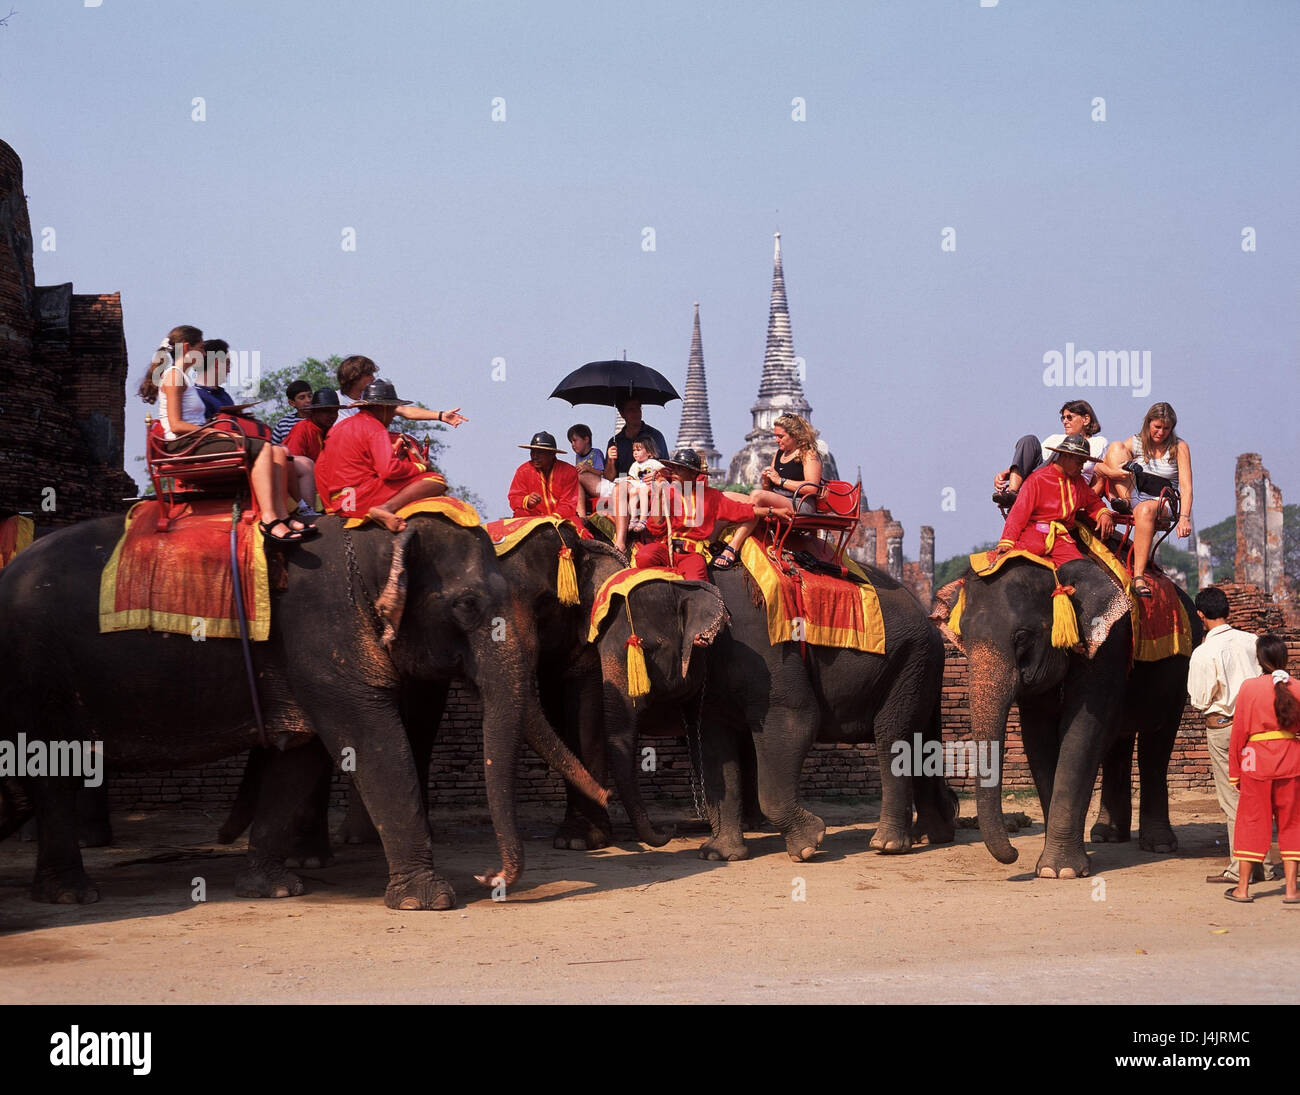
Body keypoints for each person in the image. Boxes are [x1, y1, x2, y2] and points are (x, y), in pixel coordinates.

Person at [143, 327, 311, 545]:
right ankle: (268, 519)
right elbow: (176, 425)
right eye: (201, 348)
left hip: (197, 439)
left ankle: (283, 516)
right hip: (184, 444)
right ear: (187, 348)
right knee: (262, 448)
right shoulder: (173, 375)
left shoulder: (181, 376)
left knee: (277, 450)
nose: (204, 354)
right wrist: (213, 431)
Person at [1189, 587, 1280, 887]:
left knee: (1233, 801)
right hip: (1259, 728)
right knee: (1257, 797)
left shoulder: (1204, 652)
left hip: (1225, 729)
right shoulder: (1251, 642)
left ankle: (1239, 867)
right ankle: (1264, 866)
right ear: (1227, 610)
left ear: (1200, 615)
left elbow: (1200, 700)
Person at [314, 379, 448, 532]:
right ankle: (385, 508)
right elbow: (389, 469)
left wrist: (331, 509)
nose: (392, 416)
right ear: (383, 408)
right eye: (391, 410)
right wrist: (419, 467)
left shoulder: (338, 427)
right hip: (362, 500)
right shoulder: (374, 427)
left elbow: (320, 468)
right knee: (435, 479)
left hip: (341, 504)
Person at [1226, 634, 1300, 904]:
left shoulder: (1249, 688)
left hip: (1255, 762)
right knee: (1293, 825)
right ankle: (1291, 890)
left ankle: (1243, 889)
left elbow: (1239, 735)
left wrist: (1235, 771)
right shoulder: (1297, 687)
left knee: (1251, 823)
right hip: (1292, 761)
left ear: (1259, 659)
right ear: (1285, 658)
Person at [634, 449, 767, 581]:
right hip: (665, 548)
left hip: (691, 553)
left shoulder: (710, 496)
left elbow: (742, 510)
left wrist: (772, 511)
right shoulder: (667, 492)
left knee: (696, 578)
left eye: (680, 469)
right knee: (644, 556)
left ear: (693, 474)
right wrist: (657, 492)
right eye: (673, 468)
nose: (674, 473)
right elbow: (655, 527)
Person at [1103, 401, 1193, 598]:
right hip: (1134, 492)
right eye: (1157, 427)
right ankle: (1124, 502)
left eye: (1166, 428)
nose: (1161, 432)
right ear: (1148, 423)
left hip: (1162, 500)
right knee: (1116, 447)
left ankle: (1138, 576)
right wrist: (1111, 471)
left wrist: (1185, 517)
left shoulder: (1179, 447)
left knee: (1145, 510)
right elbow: (1101, 466)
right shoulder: (1136, 442)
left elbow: (1186, 486)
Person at [718, 414, 823, 566]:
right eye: (776, 436)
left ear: (795, 435)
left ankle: (732, 547)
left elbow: (812, 488)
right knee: (726, 496)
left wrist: (780, 480)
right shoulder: (780, 453)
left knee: (756, 495)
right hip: (777, 499)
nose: (776, 440)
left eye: (781, 436)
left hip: (799, 503)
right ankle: (713, 542)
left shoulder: (808, 454)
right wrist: (767, 480)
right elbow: (768, 489)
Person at [993, 434, 1114, 564]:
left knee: (1078, 568)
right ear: (1066, 456)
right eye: (1079, 463)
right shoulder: (1038, 479)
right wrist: (1007, 540)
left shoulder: (1078, 482)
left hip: (1061, 538)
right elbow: (1019, 513)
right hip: (1034, 534)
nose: (1082, 468)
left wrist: (1103, 514)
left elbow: (1093, 502)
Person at [576, 397, 669, 555]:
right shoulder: (615, 440)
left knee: (620, 489)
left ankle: (620, 541)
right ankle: (582, 519)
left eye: (638, 409)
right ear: (622, 413)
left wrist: (655, 474)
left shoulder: (654, 436)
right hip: (620, 481)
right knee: (580, 475)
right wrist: (611, 461)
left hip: (644, 484)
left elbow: (667, 467)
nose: (636, 413)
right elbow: (609, 476)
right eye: (631, 410)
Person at [993, 400, 1122, 506]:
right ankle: (1012, 493)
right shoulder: (1054, 438)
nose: (1065, 421)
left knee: (1064, 452)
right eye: (1063, 418)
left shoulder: (1098, 442)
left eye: (1069, 417)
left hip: (1068, 485)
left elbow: (1096, 471)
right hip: (1042, 478)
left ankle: (1026, 490)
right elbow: (1032, 461)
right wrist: (1010, 472)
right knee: (1029, 440)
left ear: (1086, 419)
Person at [334, 354, 468, 428]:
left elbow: (404, 410)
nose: (373, 378)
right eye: (369, 375)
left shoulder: (373, 400)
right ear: (355, 377)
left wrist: (440, 415)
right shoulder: (336, 401)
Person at [284, 389, 341, 511]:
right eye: (326, 411)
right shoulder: (302, 429)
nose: (332, 415)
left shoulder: (331, 431)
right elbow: (293, 468)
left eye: (335, 411)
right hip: (298, 495)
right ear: (314, 412)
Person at [506, 431, 582, 522]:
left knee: (577, 528)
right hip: (531, 518)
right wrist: (527, 501)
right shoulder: (522, 471)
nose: (534, 456)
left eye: (540, 453)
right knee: (519, 515)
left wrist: (552, 518)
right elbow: (514, 497)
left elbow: (569, 504)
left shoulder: (569, 471)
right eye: (532, 452)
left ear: (552, 454)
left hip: (561, 518)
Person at [623, 435, 664, 532]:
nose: (635, 453)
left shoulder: (653, 463)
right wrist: (629, 478)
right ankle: (633, 518)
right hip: (639, 485)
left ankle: (643, 519)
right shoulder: (634, 465)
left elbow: (664, 471)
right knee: (632, 491)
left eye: (638, 450)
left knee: (643, 490)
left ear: (649, 452)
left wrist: (656, 474)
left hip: (649, 486)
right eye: (634, 450)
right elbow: (633, 477)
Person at [271, 380, 313, 444]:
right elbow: (274, 448)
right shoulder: (284, 424)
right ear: (292, 403)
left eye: (310, 396)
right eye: (302, 398)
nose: (308, 400)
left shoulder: (320, 419)